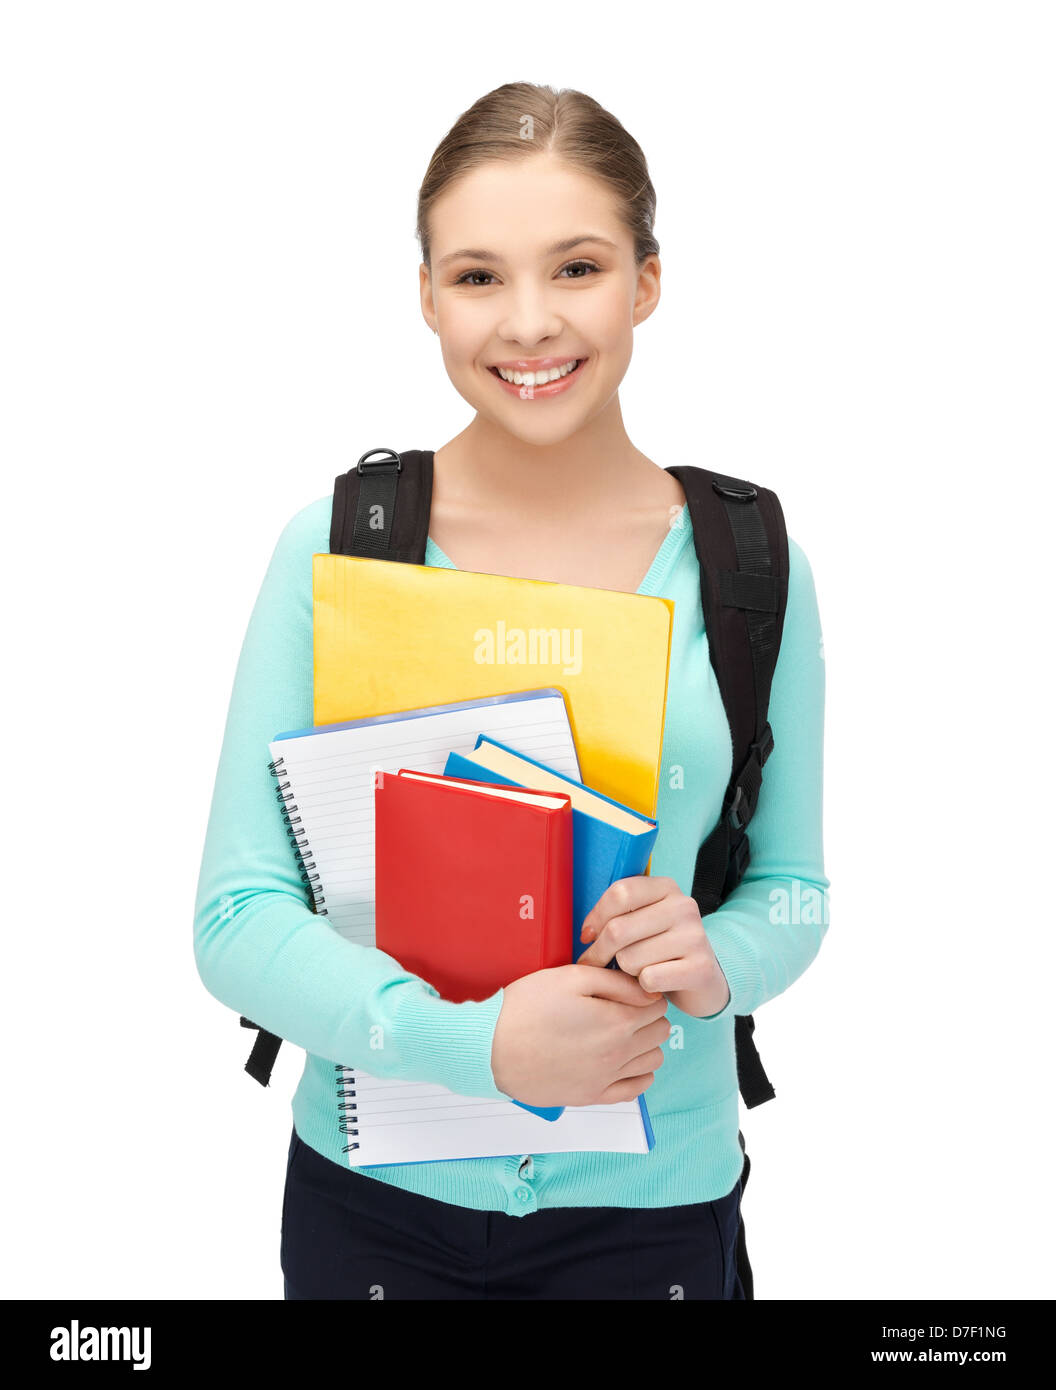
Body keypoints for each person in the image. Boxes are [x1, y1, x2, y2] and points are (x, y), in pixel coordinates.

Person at [193, 80, 830, 1301]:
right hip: (374, 1211)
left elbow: (794, 892)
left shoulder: (752, 566)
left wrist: (717, 956)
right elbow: (235, 921)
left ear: (648, 281)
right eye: (479, 276)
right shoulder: (336, 548)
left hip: (655, 1216)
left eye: (577, 267)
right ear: (426, 296)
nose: (529, 323)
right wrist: (474, 1045)